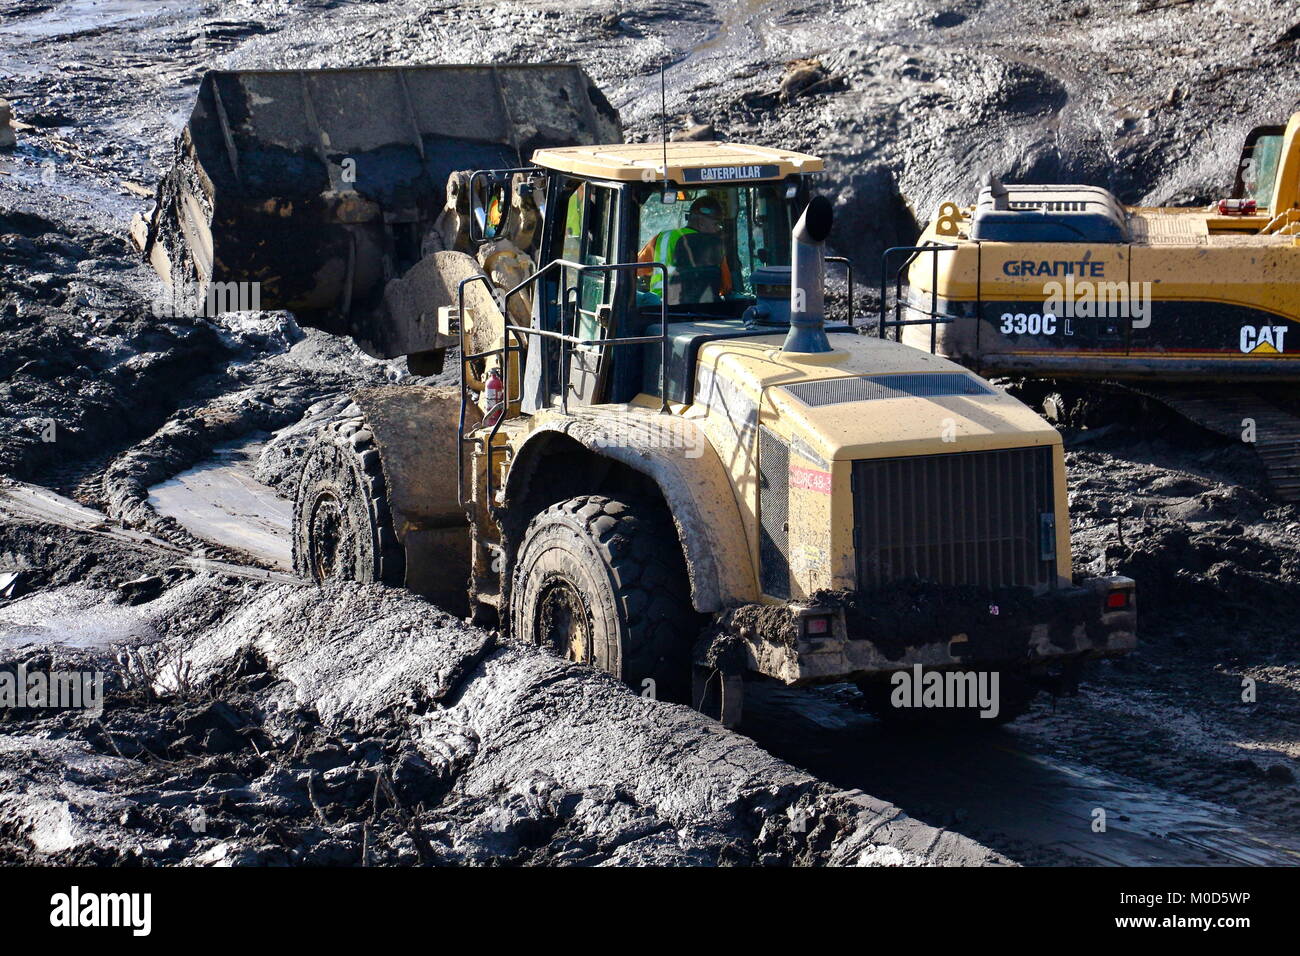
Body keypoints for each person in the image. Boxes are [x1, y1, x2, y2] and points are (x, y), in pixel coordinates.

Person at [638, 195, 733, 300]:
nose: (718, 230)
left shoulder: (662, 238)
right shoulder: (714, 246)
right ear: (701, 223)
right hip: (705, 309)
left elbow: (637, 270)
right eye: (716, 225)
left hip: (661, 309)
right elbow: (726, 287)